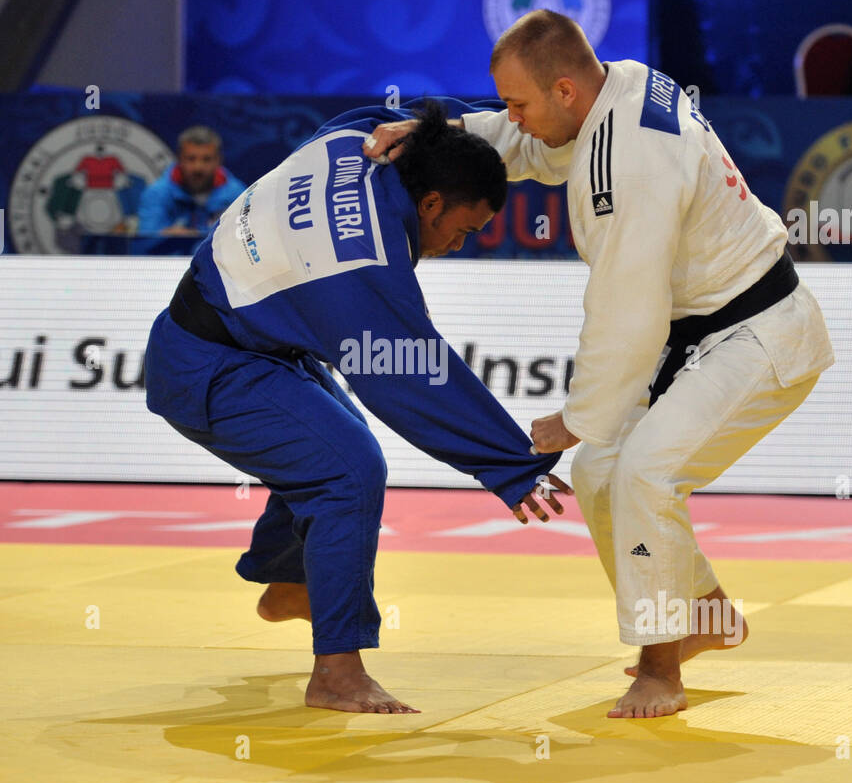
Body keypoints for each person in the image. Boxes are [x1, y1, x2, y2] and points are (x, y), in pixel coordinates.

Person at [366, 10, 835, 719]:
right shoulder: (618, 87)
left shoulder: (631, 163)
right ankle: (703, 611)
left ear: (563, 89)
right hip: (705, 331)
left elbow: (628, 309)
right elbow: (529, 144)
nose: (511, 116)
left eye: (518, 102)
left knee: (645, 470)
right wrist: (444, 135)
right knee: (599, 472)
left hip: (761, 334)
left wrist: (578, 416)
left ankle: (660, 669)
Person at [144, 100, 570, 714]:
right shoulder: (362, 260)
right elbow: (413, 377)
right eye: (464, 229)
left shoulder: (359, 141)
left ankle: (291, 584)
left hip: (248, 337)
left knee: (329, 443)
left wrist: (492, 119)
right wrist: (510, 463)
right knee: (348, 469)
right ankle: (336, 674)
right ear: (429, 203)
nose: (458, 244)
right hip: (206, 365)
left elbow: (419, 112)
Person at [132, 126, 245, 254]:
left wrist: (192, 236)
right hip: (168, 269)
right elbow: (143, 244)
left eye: (206, 159)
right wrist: (166, 236)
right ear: (179, 159)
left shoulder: (238, 196)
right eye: (191, 159)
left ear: (218, 160)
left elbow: (244, 242)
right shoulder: (156, 194)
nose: (198, 167)